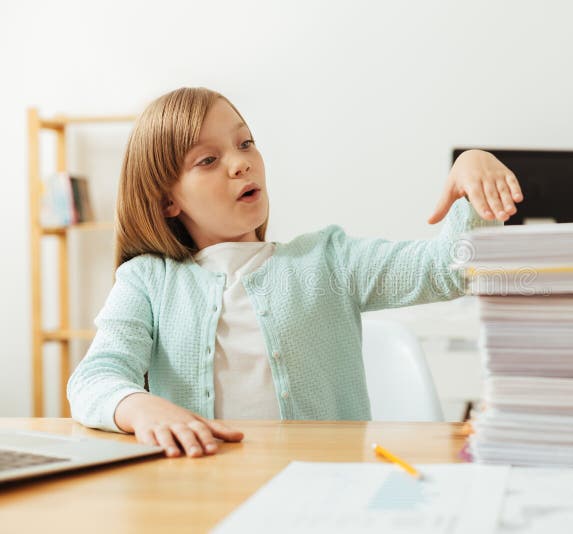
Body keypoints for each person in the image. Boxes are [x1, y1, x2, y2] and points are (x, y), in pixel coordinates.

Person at [67, 87, 522, 458]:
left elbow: (451, 269)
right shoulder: (146, 280)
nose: (241, 161)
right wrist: (139, 407)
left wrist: (472, 175)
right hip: (201, 492)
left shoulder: (328, 260)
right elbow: (94, 379)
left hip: (328, 489)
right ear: (168, 200)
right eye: (208, 159)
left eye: (245, 143)